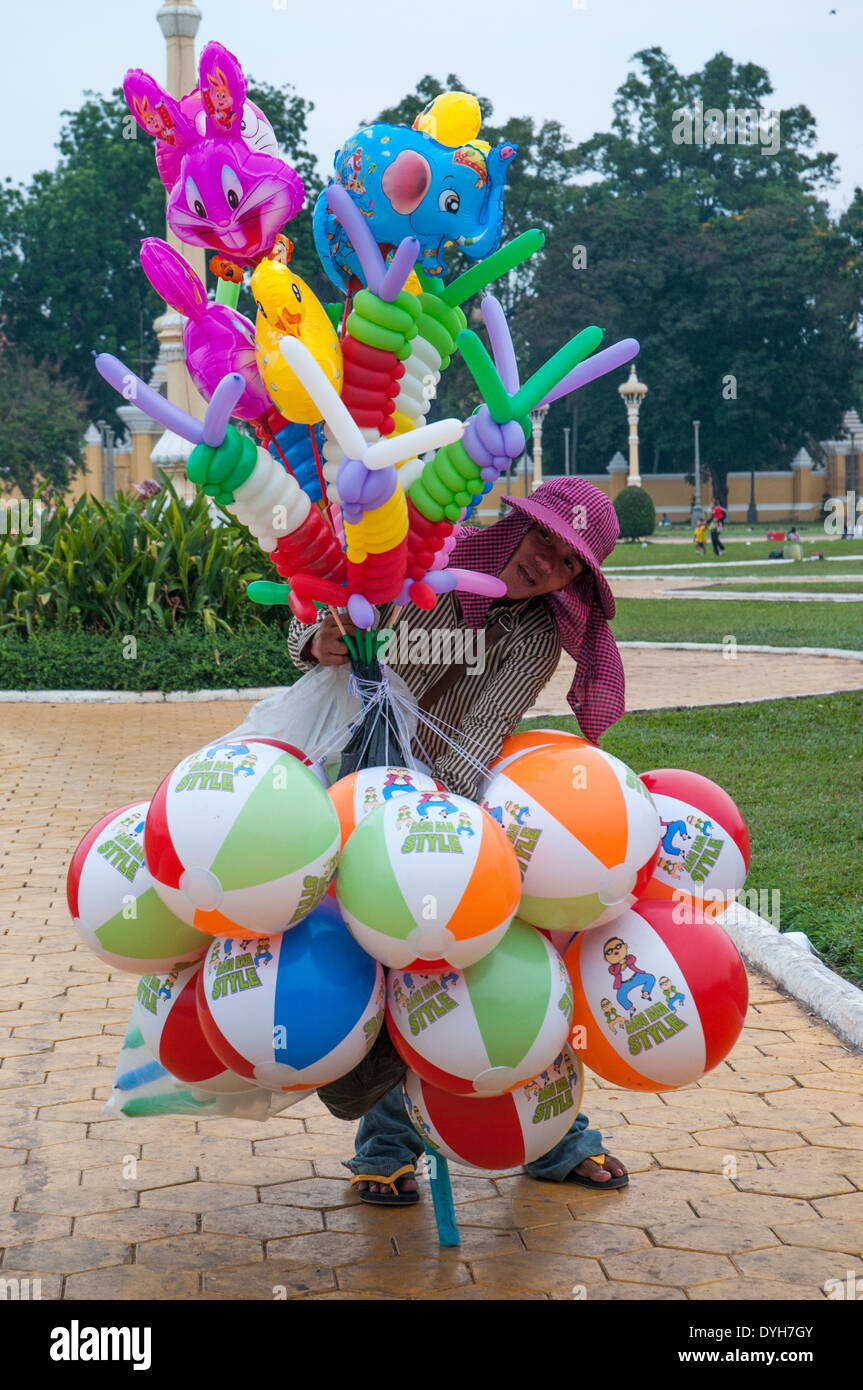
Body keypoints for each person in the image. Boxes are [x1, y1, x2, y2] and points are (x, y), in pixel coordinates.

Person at [286, 477, 630, 1204]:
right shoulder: (422, 559)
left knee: (488, 955)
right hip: (342, 791)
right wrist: (319, 639)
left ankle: (551, 1137)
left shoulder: (534, 636)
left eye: (569, 563)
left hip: (442, 812)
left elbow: (478, 738)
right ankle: (384, 1142)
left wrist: (436, 839)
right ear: (516, 523)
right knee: (380, 963)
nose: (548, 565)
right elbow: (328, 612)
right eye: (544, 539)